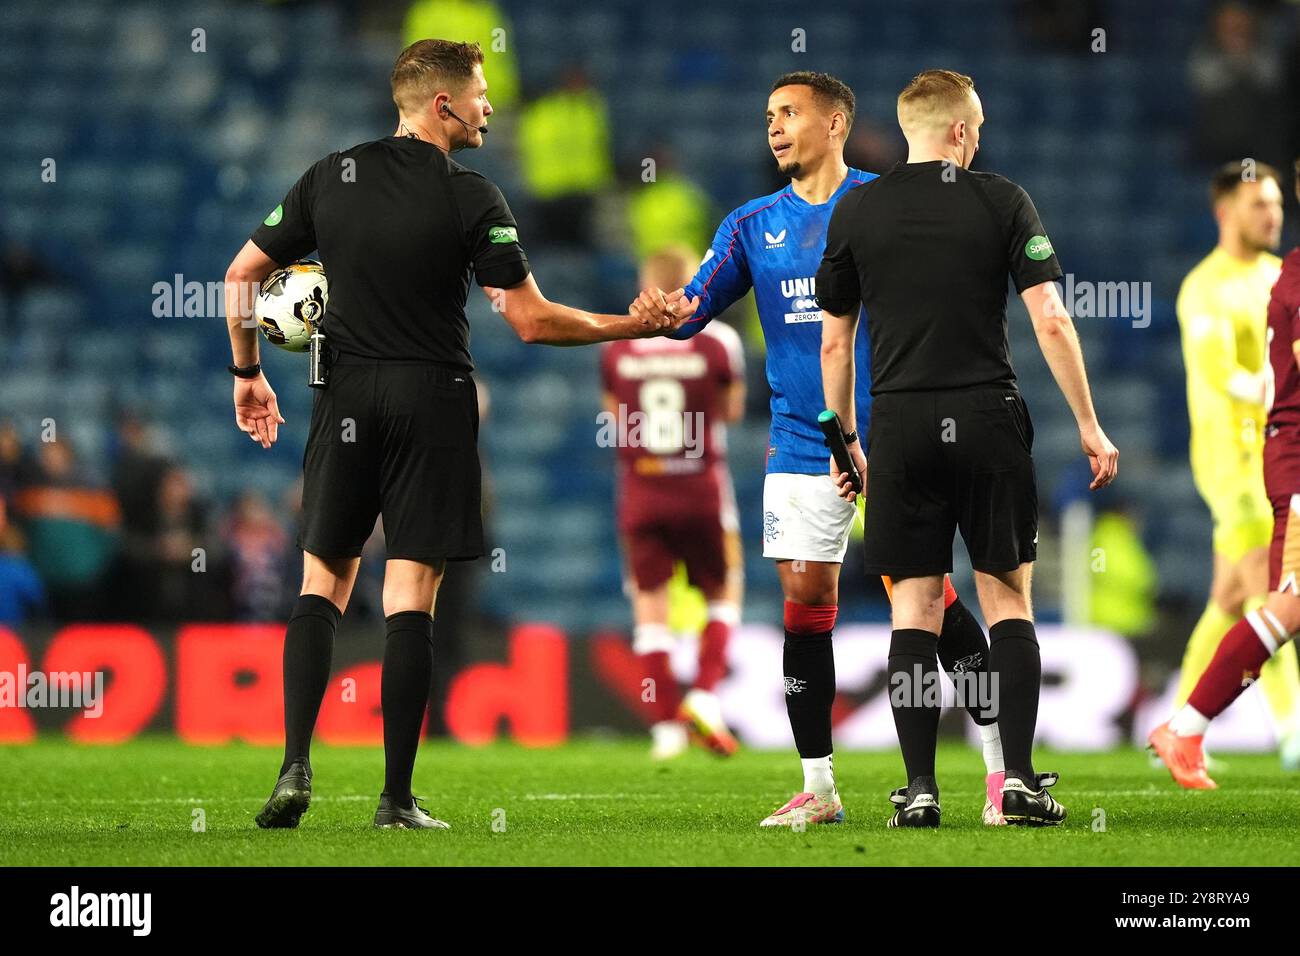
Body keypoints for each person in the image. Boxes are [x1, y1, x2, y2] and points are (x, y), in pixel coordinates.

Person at [223, 39, 693, 831]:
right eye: (479, 94)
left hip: (342, 396)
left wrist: (246, 374)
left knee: (321, 584)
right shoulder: (472, 194)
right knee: (410, 594)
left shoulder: (329, 175)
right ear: (442, 104)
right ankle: (395, 798)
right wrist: (629, 324)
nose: (490, 106)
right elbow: (532, 323)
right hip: (434, 397)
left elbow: (240, 275)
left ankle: (295, 765)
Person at [664, 72, 1005, 829]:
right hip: (797, 439)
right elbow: (693, 310)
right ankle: (819, 789)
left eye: (789, 113)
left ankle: (997, 772)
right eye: (768, 116)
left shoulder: (884, 206)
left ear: (837, 122)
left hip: (896, 432)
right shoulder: (754, 224)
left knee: (926, 599)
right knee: (806, 602)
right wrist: (665, 312)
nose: (775, 127)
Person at [818, 69, 1118, 827]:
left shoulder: (856, 209)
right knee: (1006, 597)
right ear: (957, 131)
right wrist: (1088, 422)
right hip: (987, 416)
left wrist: (846, 440)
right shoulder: (1001, 199)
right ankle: (1015, 784)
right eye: (975, 126)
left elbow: (833, 342)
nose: (979, 137)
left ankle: (919, 791)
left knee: (914, 610)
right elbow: (1050, 317)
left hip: (901, 423)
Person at [1151, 158, 1300, 789]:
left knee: (1230, 598)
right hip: (1233, 461)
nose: (1272, 213)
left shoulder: (1278, 271)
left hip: (1269, 453)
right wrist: (1273, 390)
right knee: (1278, 596)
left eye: (1275, 203)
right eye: (1257, 204)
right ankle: (1292, 726)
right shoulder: (1205, 286)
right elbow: (1221, 375)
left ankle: (1182, 719)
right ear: (1225, 213)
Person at [601, 245, 746, 759]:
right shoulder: (720, 342)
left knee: (651, 610)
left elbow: (614, 416)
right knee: (724, 592)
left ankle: (664, 728)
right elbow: (730, 410)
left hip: (642, 490)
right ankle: (704, 693)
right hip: (702, 487)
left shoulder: (618, 345)